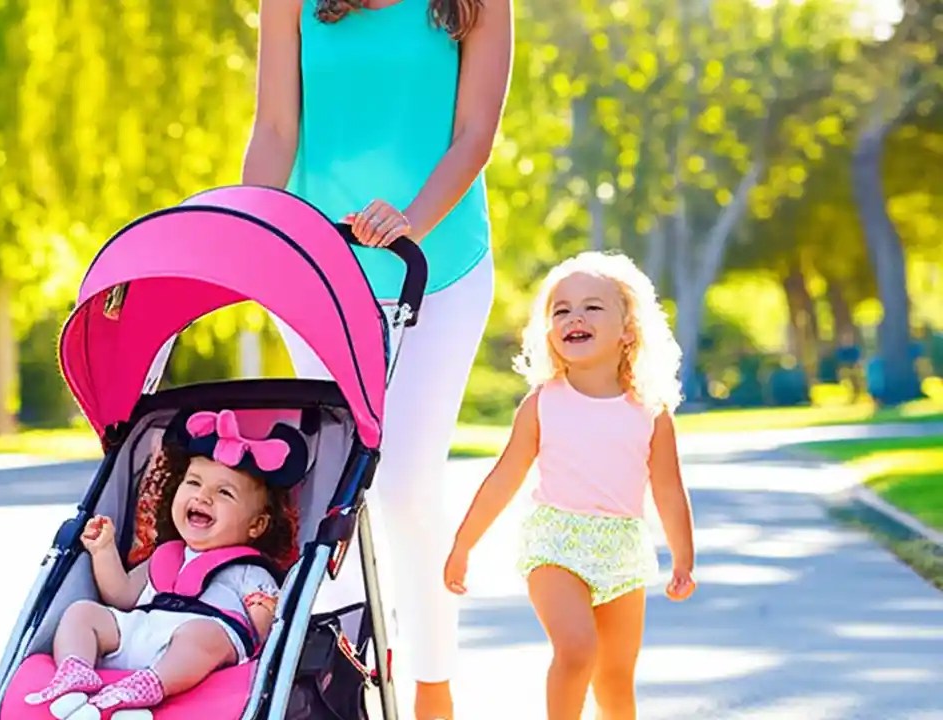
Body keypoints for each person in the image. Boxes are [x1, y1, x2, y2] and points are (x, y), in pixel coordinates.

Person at [241, 1, 511, 716]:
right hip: (320, 268)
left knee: (407, 483)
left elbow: (474, 134)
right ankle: (344, 680)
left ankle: (431, 682)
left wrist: (411, 221)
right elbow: (274, 130)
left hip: (438, 265)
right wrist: (247, 227)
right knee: (335, 484)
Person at [444, 251, 697, 720]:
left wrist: (684, 557)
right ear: (550, 333)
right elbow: (504, 478)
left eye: (592, 307)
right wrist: (464, 545)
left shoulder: (651, 412)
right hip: (555, 544)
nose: (574, 317)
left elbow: (668, 490)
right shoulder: (542, 404)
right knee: (578, 649)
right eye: (561, 310)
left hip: (622, 550)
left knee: (616, 682)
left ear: (628, 330)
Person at [24, 409, 304, 719]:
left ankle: (153, 684)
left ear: (256, 525)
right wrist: (103, 550)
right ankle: (75, 671)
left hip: (198, 647)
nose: (203, 497)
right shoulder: (164, 556)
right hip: (140, 630)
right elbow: (122, 596)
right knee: (82, 612)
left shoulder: (249, 571)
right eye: (194, 483)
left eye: (224, 492)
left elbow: (267, 629)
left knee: (202, 634)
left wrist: (266, 625)